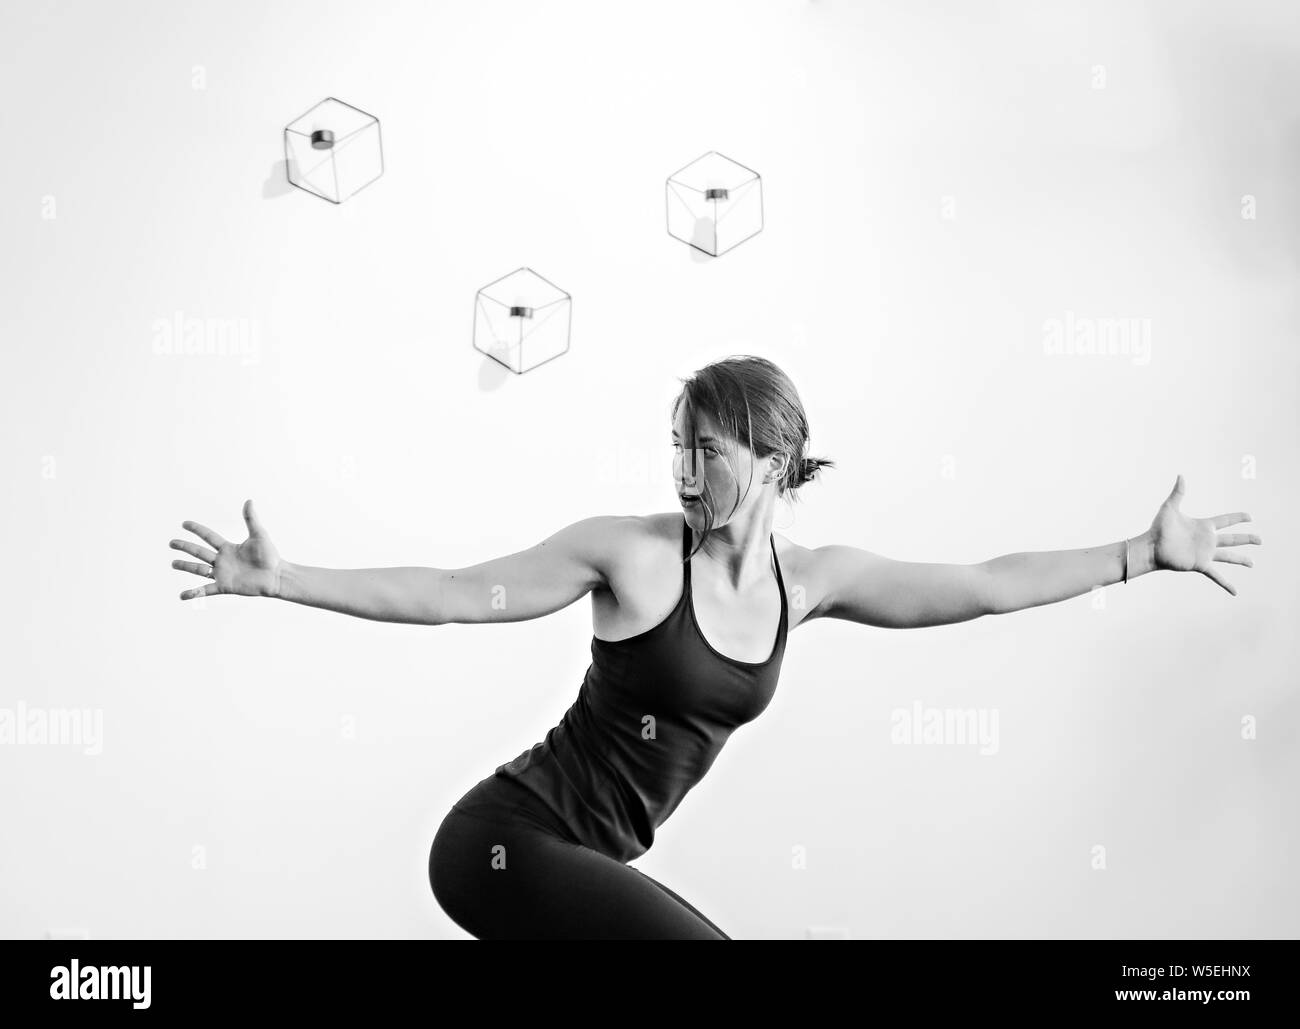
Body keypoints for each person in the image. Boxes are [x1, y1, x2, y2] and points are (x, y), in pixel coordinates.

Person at [169, 355, 1261, 939]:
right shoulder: (634, 555)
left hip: (587, 864)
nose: (685, 472)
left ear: (775, 455)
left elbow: (980, 586)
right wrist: (284, 580)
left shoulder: (812, 581)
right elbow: (459, 594)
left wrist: (1137, 554)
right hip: (503, 839)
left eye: (709, 448)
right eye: (676, 448)